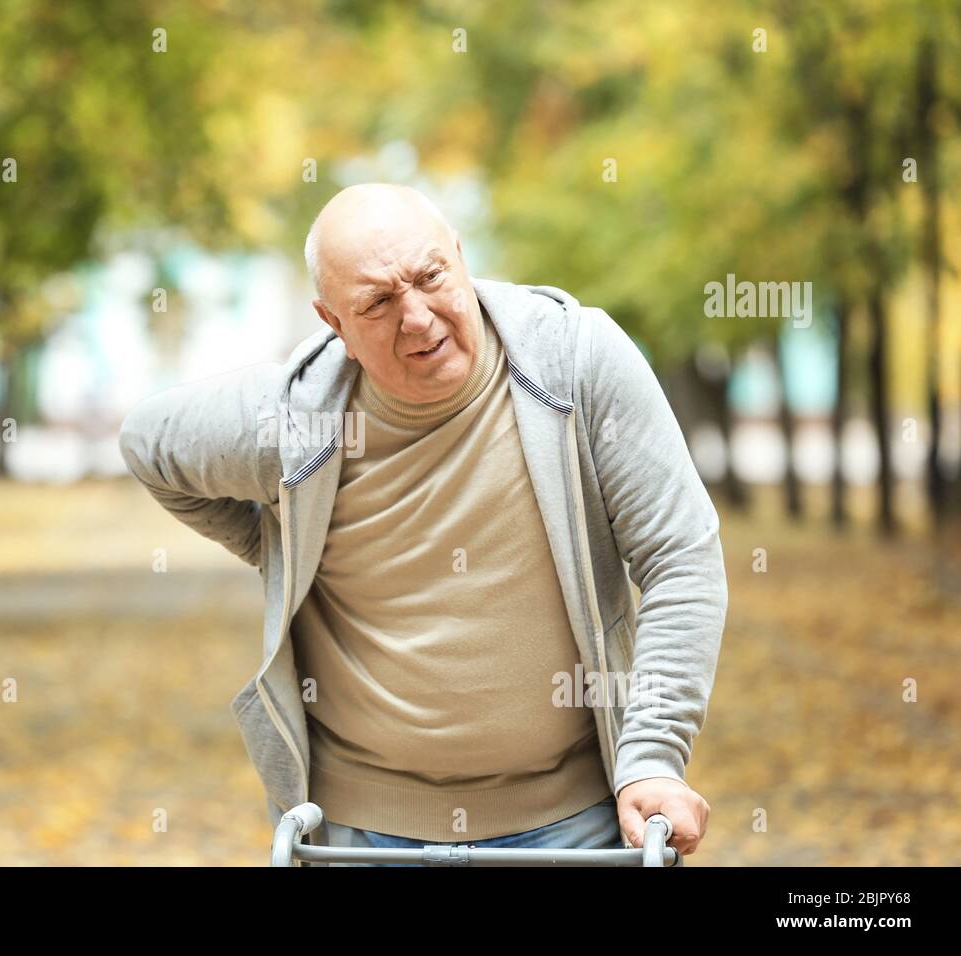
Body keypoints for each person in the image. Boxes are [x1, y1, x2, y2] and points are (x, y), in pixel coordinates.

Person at [119, 183, 728, 865]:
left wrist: (652, 756)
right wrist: (281, 545)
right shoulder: (299, 418)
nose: (416, 318)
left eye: (431, 277)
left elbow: (682, 555)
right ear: (333, 323)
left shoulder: (575, 362)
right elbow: (147, 443)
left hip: (577, 826)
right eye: (376, 303)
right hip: (360, 834)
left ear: (461, 260)